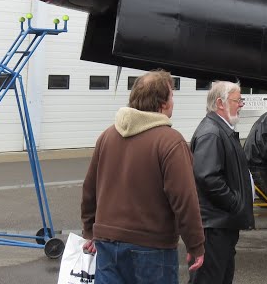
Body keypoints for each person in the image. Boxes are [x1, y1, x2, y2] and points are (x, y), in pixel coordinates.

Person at [80, 69, 205, 283]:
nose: (173, 101)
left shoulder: (107, 136)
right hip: (152, 247)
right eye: (172, 95)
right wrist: (195, 244)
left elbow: (89, 189)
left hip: (108, 244)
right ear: (162, 103)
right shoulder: (170, 141)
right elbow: (184, 198)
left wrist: (90, 230)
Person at [188, 81, 256, 284]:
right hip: (214, 227)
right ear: (220, 103)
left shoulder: (220, 129)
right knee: (209, 279)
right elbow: (207, 177)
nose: (241, 104)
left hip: (222, 225)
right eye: (238, 100)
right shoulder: (212, 133)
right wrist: (235, 204)